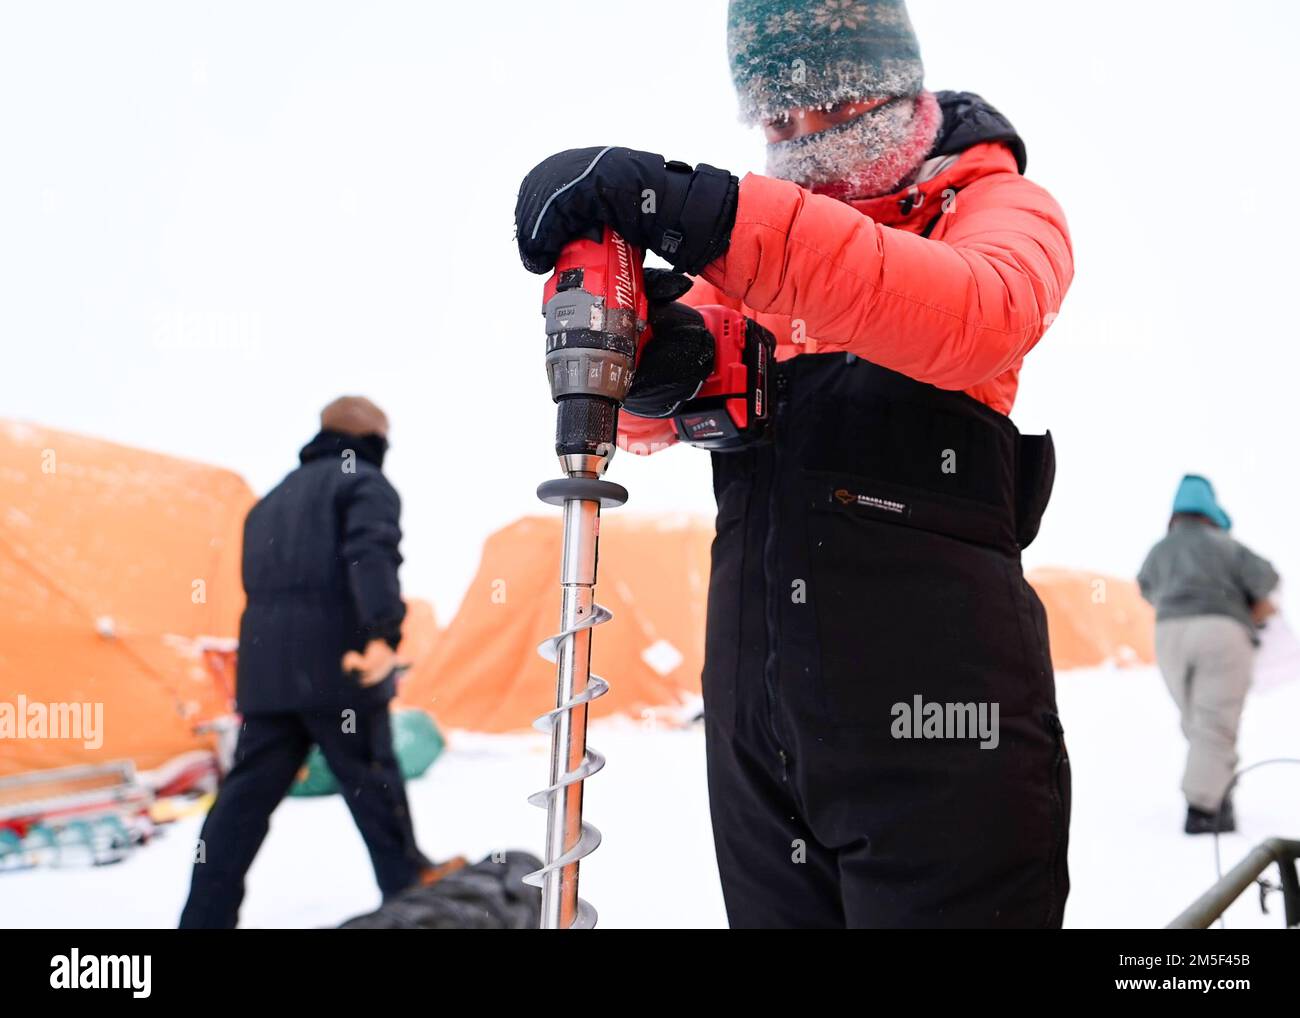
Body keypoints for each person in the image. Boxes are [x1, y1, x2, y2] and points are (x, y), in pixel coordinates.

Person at [514, 0, 1073, 927]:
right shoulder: (772, 250)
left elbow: (978, 316)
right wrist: (667, 370)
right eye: (778, 119)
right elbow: (658, 424)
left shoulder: (993, 209)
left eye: (834, 107)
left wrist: (701, 210)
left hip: (941, 727)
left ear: (898, 92)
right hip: (756, 729)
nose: (804, 139)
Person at [180, 396, 451, 928]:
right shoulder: (365, 484)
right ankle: (409, 900)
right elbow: (371, 555)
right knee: (374, 788)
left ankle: (203, 918)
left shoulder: (269, 502)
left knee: (241, 805)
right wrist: (381, 636)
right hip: (339, 670)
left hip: (266, 680)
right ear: (373, 439)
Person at [1138, 475, 1279, 835]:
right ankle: (1204, 810)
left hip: (1169, 633)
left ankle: (1218, 794)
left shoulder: (1160, 550)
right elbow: (1267, 578)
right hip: (1221, 631)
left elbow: (1145, 587)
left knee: (1197, 721)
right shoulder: (1225, 545)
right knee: (1215, 723)